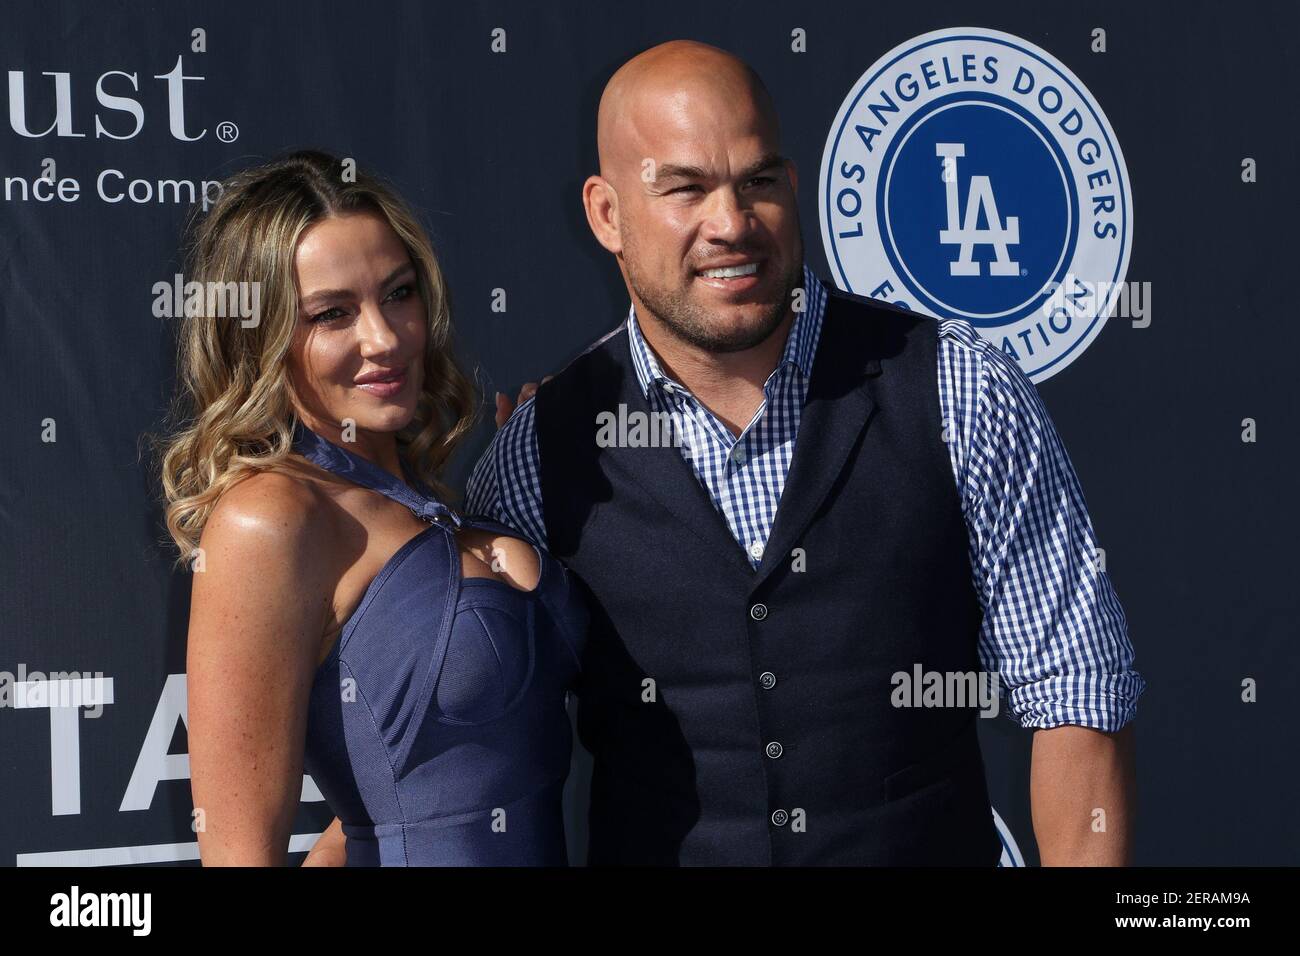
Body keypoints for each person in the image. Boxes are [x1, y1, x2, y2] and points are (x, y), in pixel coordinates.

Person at [313, 39, 1145, 866]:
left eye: (759, 182)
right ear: (606, 214)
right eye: (686, 189)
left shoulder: (959, 391)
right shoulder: (539, 454)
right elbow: (460, 746)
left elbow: (1077, 696)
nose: (732, 225)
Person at [156, 150, 587, 866]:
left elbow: (400, 803)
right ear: (260, 338)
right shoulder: (272, 519)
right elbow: (239, 858)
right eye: (332, 314)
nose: (385, 338)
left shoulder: (428, 504)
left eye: (398, 293)